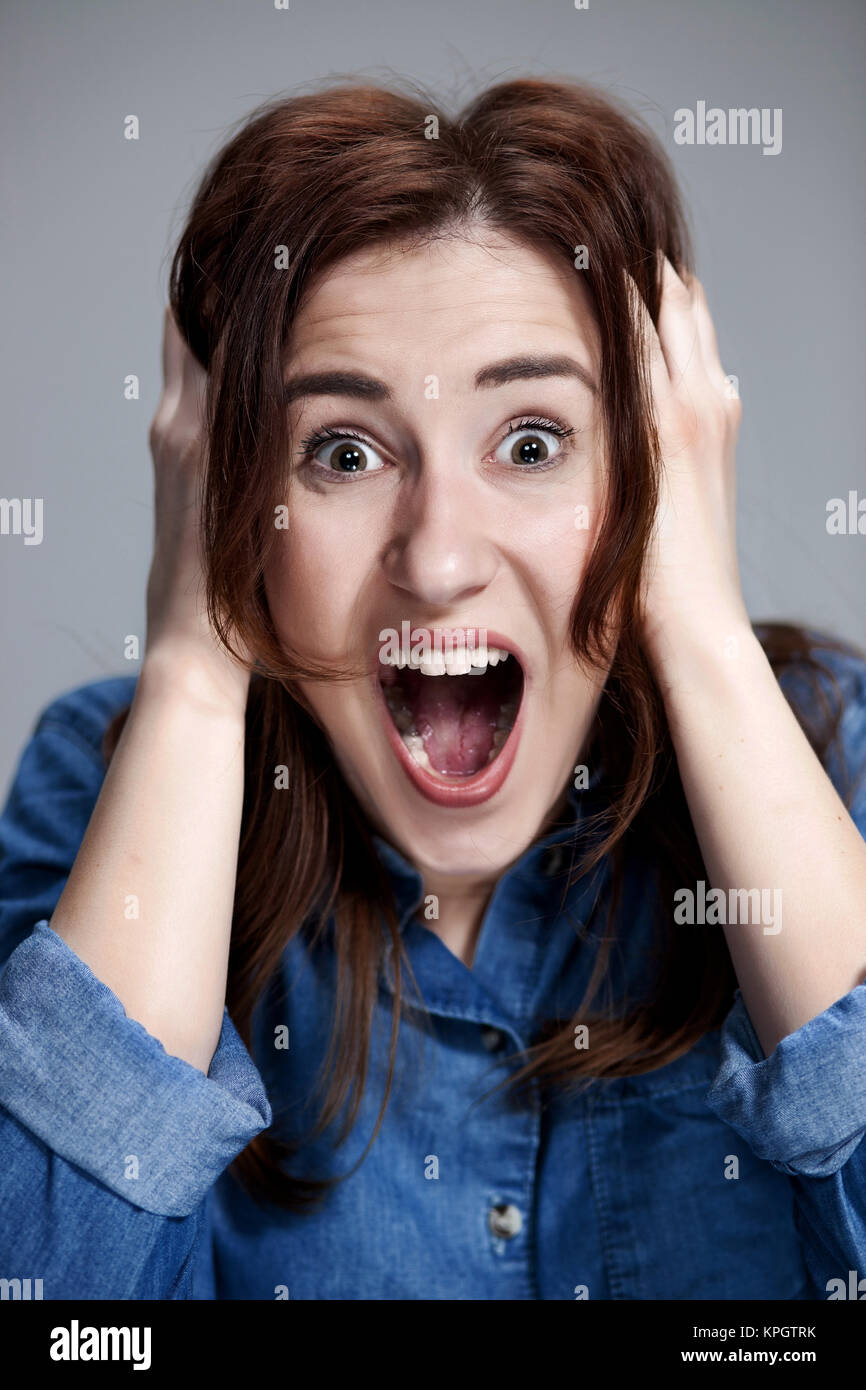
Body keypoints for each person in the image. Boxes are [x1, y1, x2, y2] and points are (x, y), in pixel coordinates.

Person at [1, 76, 864, 1301]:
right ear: (236, 499)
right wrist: (193, 664)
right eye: (340, 453)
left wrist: (699, 631)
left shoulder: (829, 746)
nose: (439, 556)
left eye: (532, 441)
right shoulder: (98, 787)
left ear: (660, 467)